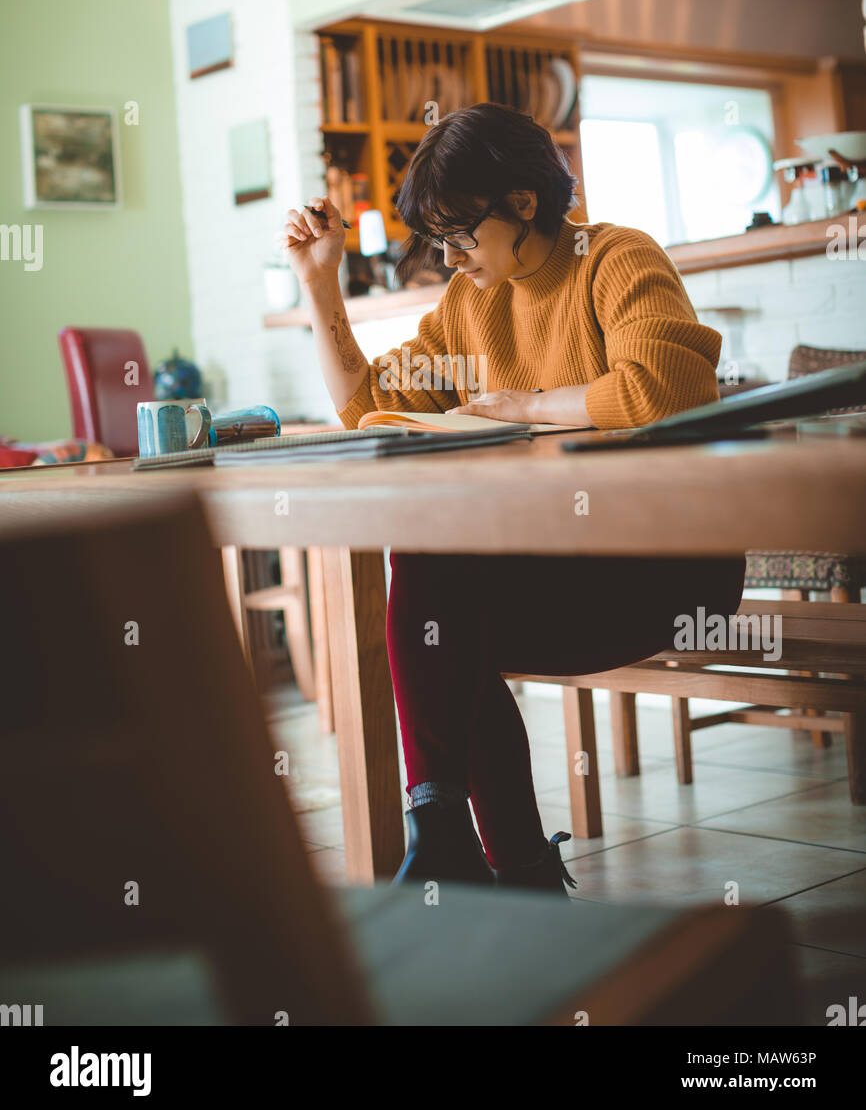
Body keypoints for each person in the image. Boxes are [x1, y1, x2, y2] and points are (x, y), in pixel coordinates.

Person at [283, 103, 745, 894]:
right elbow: (366, 404)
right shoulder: (472, 307)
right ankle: (475, 849)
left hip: (670, 572)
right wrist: (319, 282)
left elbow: (662, 388)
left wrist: (523, 404)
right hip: (564, 570)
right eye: (441, 243)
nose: (453, 260)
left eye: (463, 236)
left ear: (524, 204)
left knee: (442, 625)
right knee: (435, 595)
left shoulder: (616, 257)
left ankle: (476, 854)